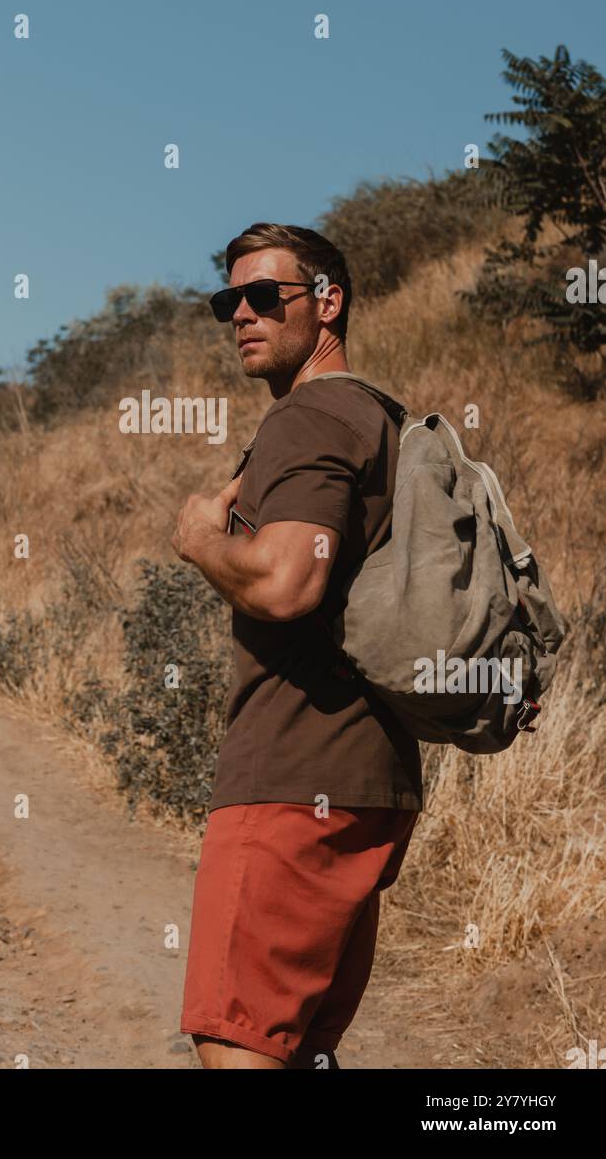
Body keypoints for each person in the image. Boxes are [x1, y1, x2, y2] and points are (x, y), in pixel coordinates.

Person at [173, 222, 423, 1070]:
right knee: (305, 1050)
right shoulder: (383, 421)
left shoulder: (309, 417)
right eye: (227, 301)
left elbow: (287, 583)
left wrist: (200, 537)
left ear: (327, 302)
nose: (241, 315)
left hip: (290, 777)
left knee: (237, 1039)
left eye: (263, 297)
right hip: (371, 780)